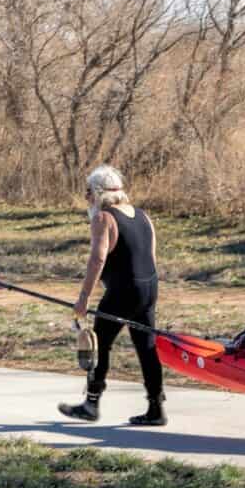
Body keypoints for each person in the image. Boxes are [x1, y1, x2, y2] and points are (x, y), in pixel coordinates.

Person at [57, 165, 166, 426]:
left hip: (124, 291)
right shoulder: (142, 215)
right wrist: (145, 292)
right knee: (147, 347)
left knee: (99, 342)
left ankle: (91, 404)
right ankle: (155, 409)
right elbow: (150, 256)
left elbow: (97, 259)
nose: (86, 198)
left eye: (88, 192)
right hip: (148, 288)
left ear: (97, 193)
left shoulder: (103, 218)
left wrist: (83, 299)